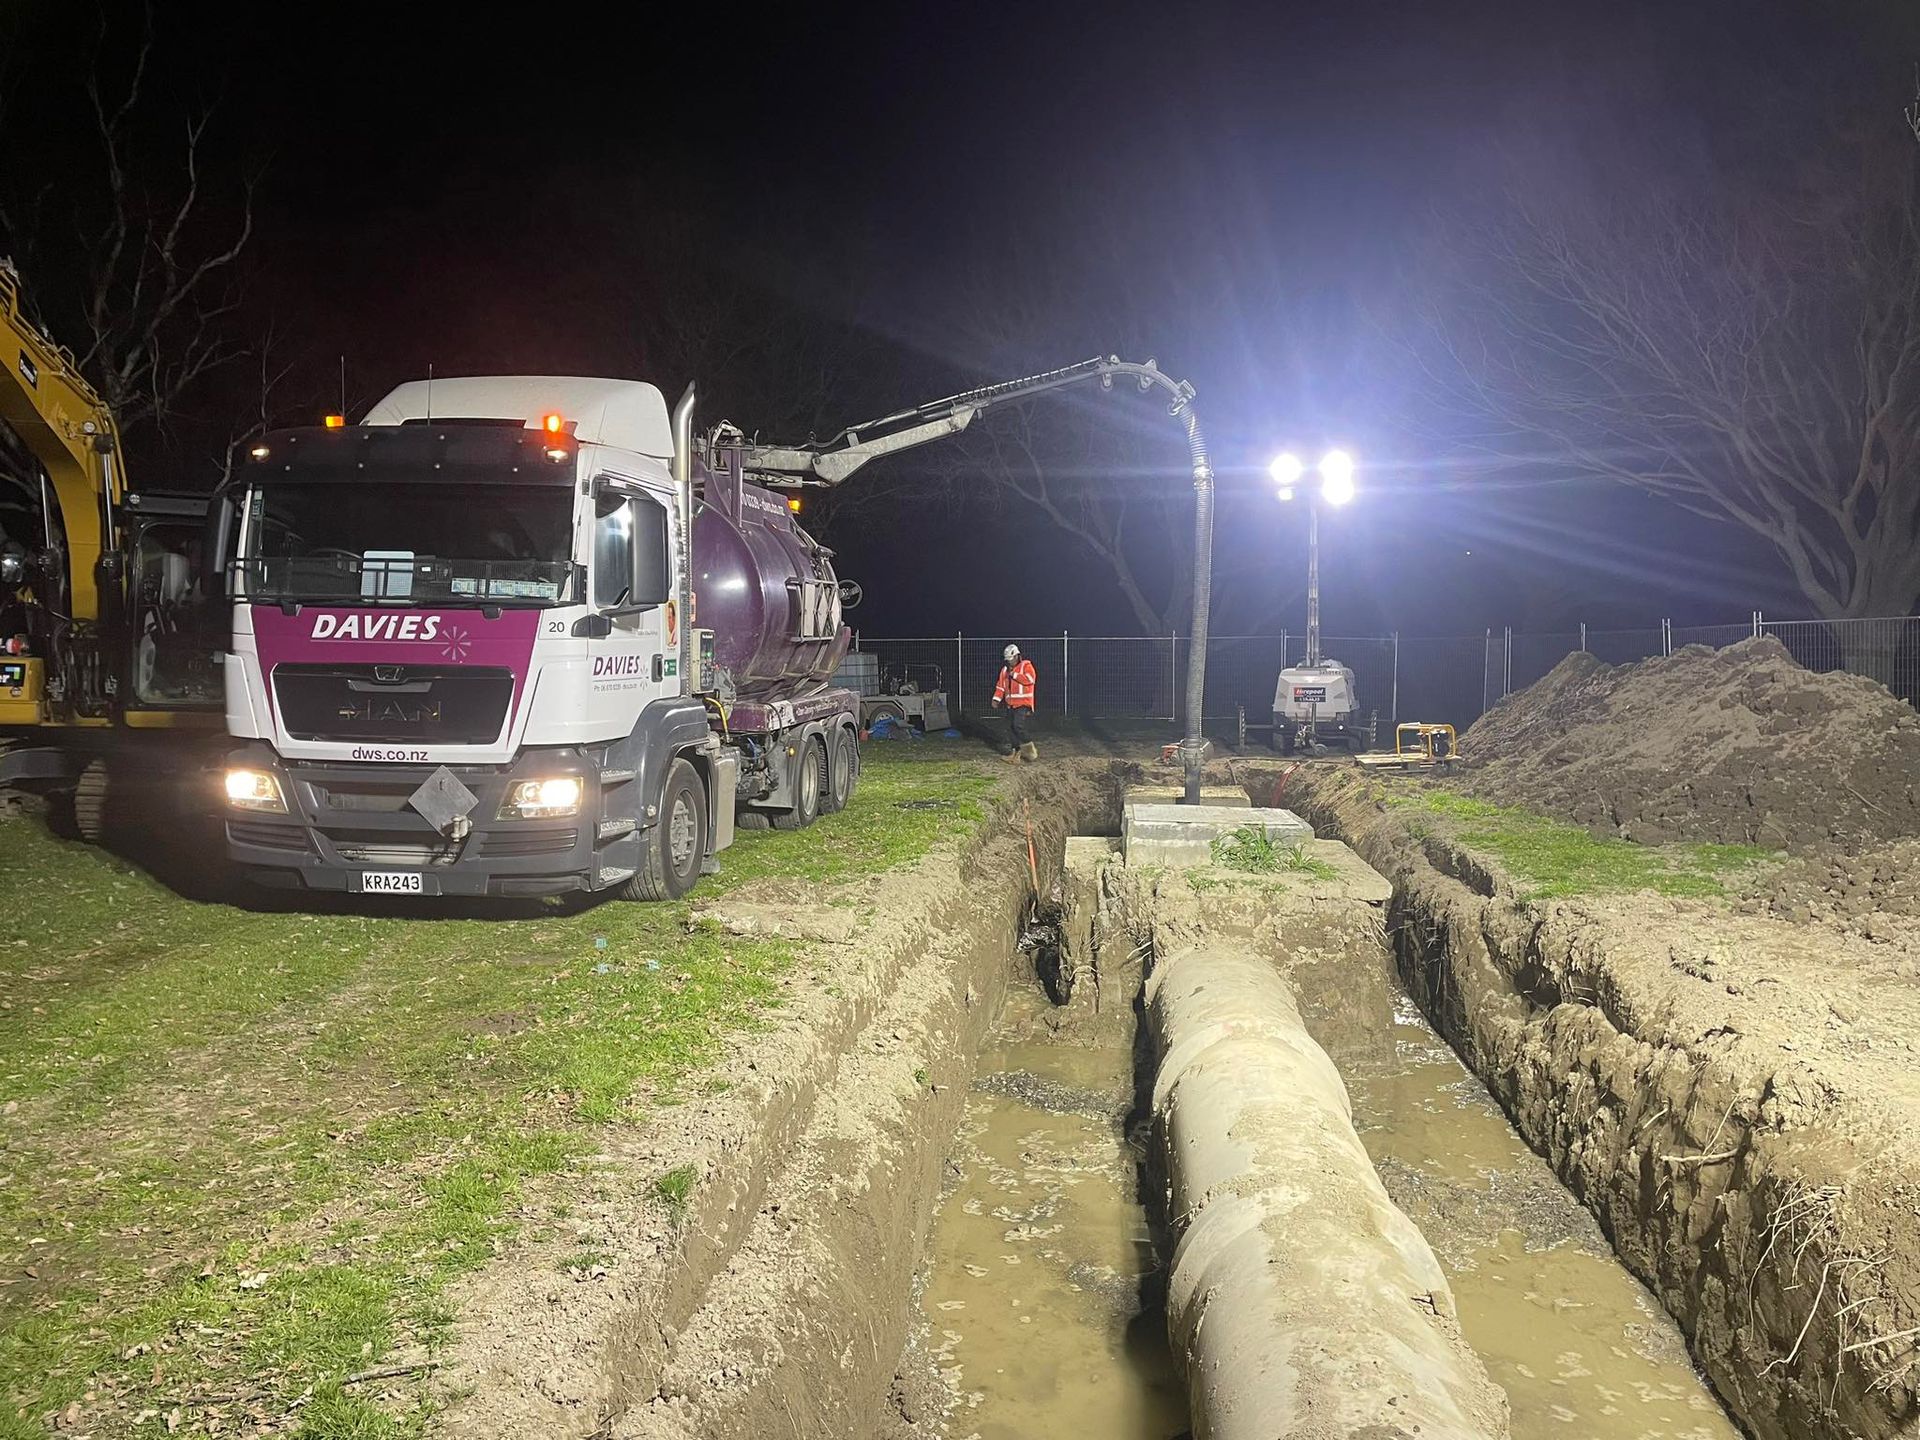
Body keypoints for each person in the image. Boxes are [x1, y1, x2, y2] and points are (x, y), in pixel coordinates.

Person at [991, 643, 1038, 762]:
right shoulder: (1004, 670)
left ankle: (1030, 750)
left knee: (1018, 726)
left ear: (1017, 656)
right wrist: (996, 699)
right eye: (1007, 659)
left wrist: (1015, 675)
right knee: (1010, 727)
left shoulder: (1026, 665)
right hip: (1010, 704)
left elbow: (1030, 679)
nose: (1009, 661)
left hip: (1023, 703)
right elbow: (1000, 686)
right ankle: (1015, 753)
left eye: (1011, 659)